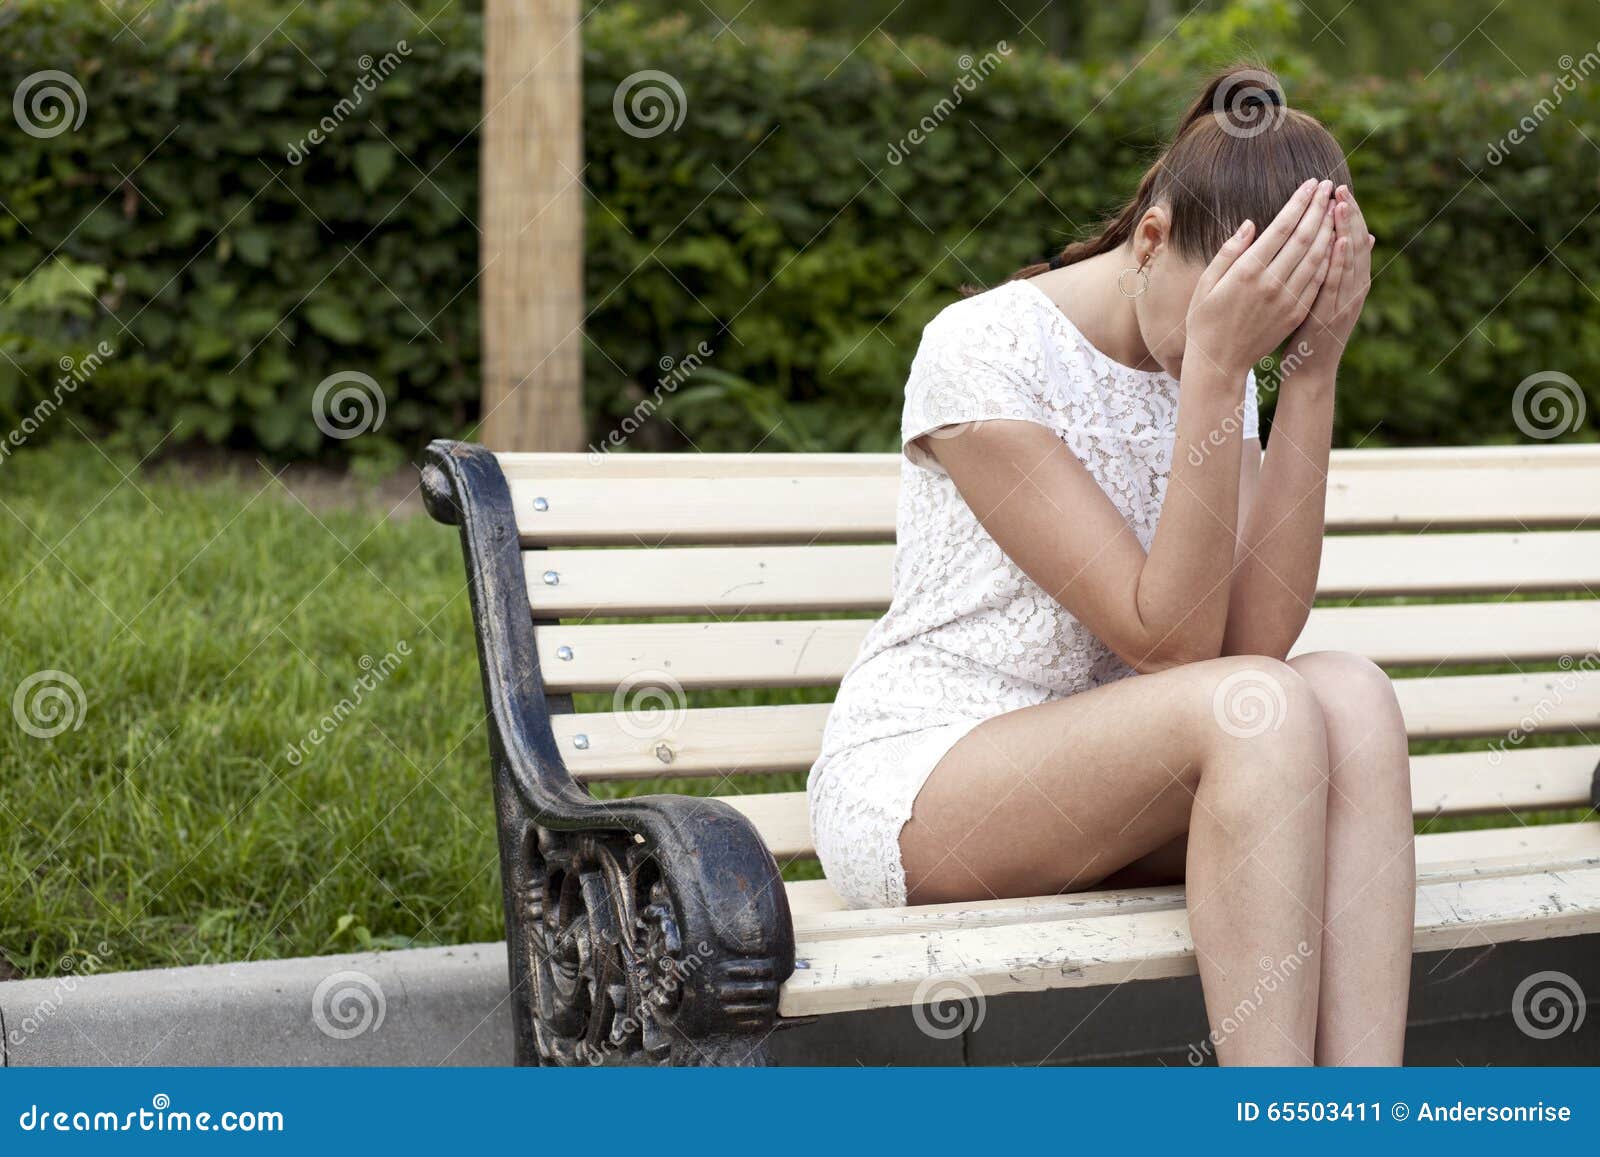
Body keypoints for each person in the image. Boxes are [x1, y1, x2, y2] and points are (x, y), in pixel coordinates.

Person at [806, 66, 1412, 1066]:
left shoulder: (1215, 351)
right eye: (1238, 321)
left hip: (1125, 779)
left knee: (1347, 693)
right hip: (934, 778)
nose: (1240, 349)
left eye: (1270, 331)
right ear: (1149, 239)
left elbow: (1251, 641)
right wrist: (1218, 370)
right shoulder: (983, 350)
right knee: (1245, 706)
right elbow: (1169, 641)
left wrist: (1309, 373)